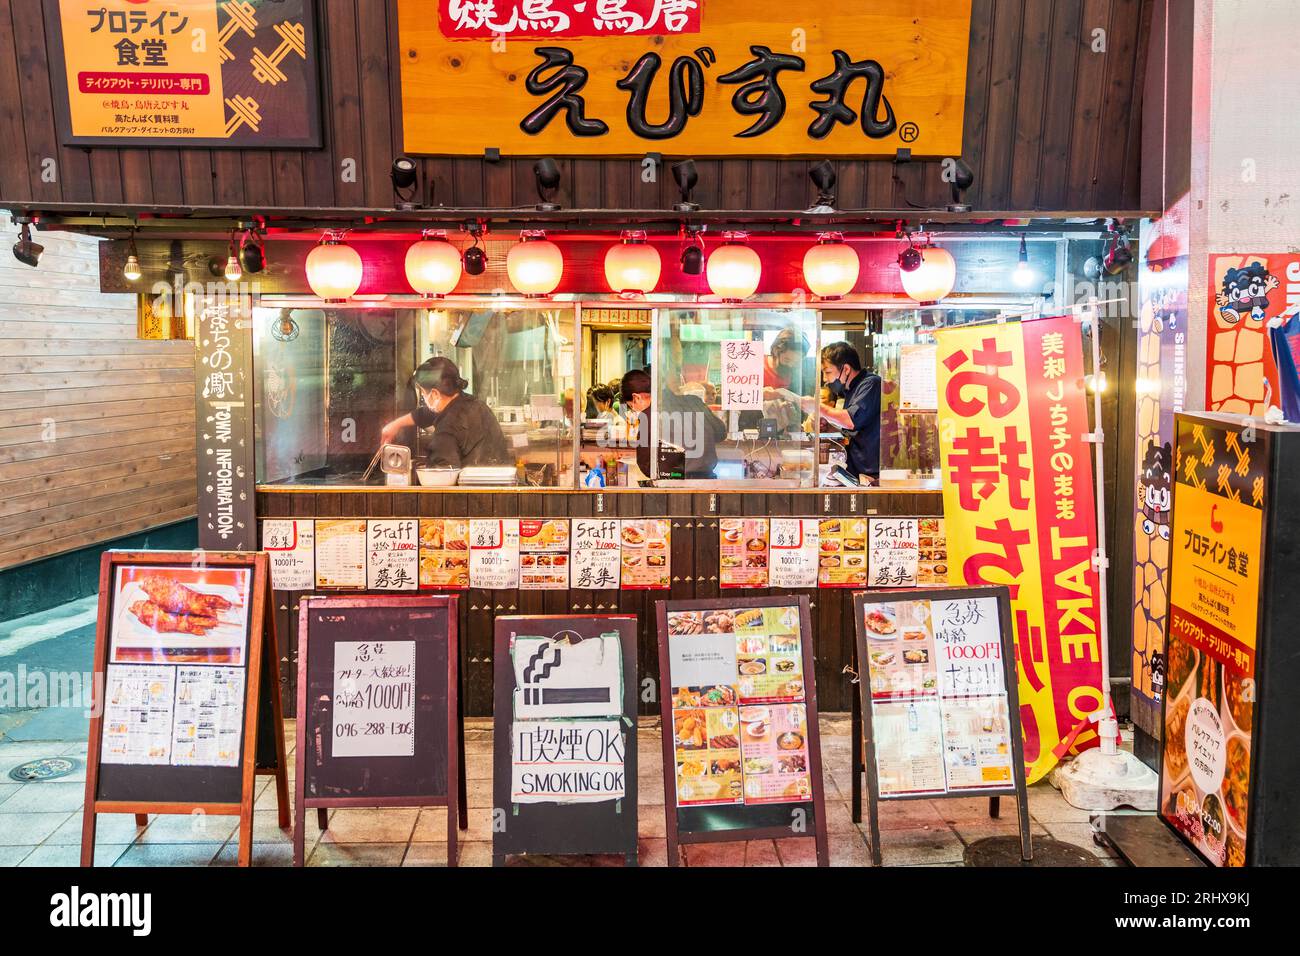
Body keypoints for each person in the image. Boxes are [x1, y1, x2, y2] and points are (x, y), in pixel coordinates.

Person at [380, 356, 511, 468]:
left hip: (476, 493)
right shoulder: (473, 404)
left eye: (423, 394)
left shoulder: (447, 430)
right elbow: (427, 414)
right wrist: (395, 424)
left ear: (435, 394)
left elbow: (443, 477)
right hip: (501, 486)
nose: (424, 399)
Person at [621, 368, 725, 479]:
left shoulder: (648, 415)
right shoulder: (694, 402)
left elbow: (646, 465)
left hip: (673, 486)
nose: (634, 410)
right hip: (708, 481)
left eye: (632, 406)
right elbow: (721, 433)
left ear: (636, 397)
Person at [803, 342, 880, 482]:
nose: (825, 380)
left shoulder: (871, 384)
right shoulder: (850, 389)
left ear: (846, 369)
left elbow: (851, 421)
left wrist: (817, 407)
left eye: (827, 372)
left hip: (872, 473)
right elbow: (853, 430)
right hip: (856, 469)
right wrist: (829, 425)